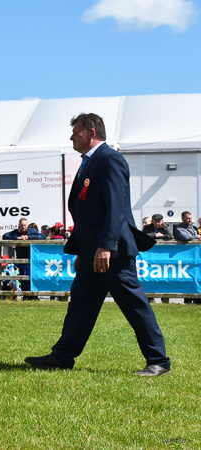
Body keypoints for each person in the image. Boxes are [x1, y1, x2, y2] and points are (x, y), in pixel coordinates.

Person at [25, 113, 171, 377]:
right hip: (92, 253)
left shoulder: (109, 159)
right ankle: (62, 356)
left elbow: (116, 209)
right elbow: (86, 213)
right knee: (81, 305)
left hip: (111, 253)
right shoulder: (90, 162)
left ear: (91, 133)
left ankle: (159, 361)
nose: (72, 137)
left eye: (76, 132)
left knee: (134, 305)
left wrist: (106, 246)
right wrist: (83, 249)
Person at [2, 218, 46, 294]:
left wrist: (28, 237)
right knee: (22, 278)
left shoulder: (32, 231)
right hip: (20, 258)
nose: (23, 227)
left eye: (25, 225)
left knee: (32, 278)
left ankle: (33, 295)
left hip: (31, 258)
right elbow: (5, 236)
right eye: (22, 225)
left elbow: (42, 237)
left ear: (27, 225)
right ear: (19, 225)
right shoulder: (16, 232)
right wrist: (16, 238)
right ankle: (25, 295)